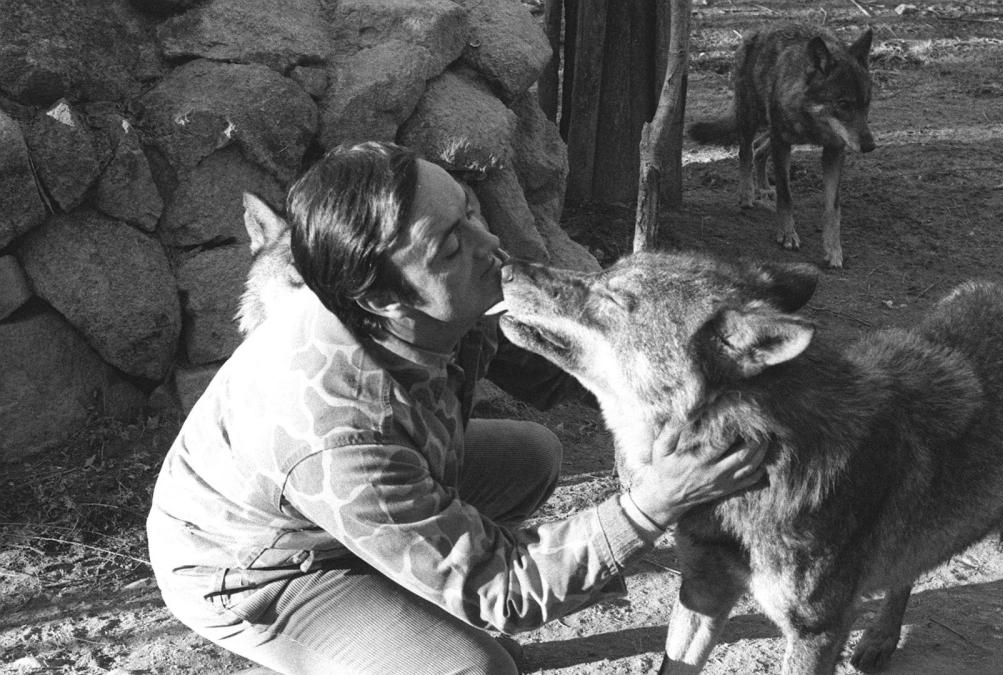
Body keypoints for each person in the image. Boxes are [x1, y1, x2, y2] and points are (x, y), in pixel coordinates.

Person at [146, 141, 767, 675]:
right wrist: (651, 504)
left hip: (349, 499)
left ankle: (404, 584)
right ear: (383, 298)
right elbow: (505, 589)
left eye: (469, 213)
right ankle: (365, 622)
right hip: (260, 570)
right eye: (449, 246)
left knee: (532, 455)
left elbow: (569, 372)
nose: (490, 245)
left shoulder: (432, 298)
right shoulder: (340, 435)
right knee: (476, 667)